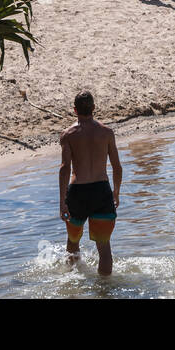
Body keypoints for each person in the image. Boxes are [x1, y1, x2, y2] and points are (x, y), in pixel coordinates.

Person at [59, 91, 122, 276]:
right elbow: (117, 167)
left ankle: (71, 284)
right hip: (101, 191)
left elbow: (64, 168)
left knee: (72, 243)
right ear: (94, 108)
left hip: (77, 192)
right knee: (104, 248)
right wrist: (116, 192)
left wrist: (62, 200)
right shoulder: (107, 133)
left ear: (74, 110)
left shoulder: (68, 134)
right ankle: (105, 292)